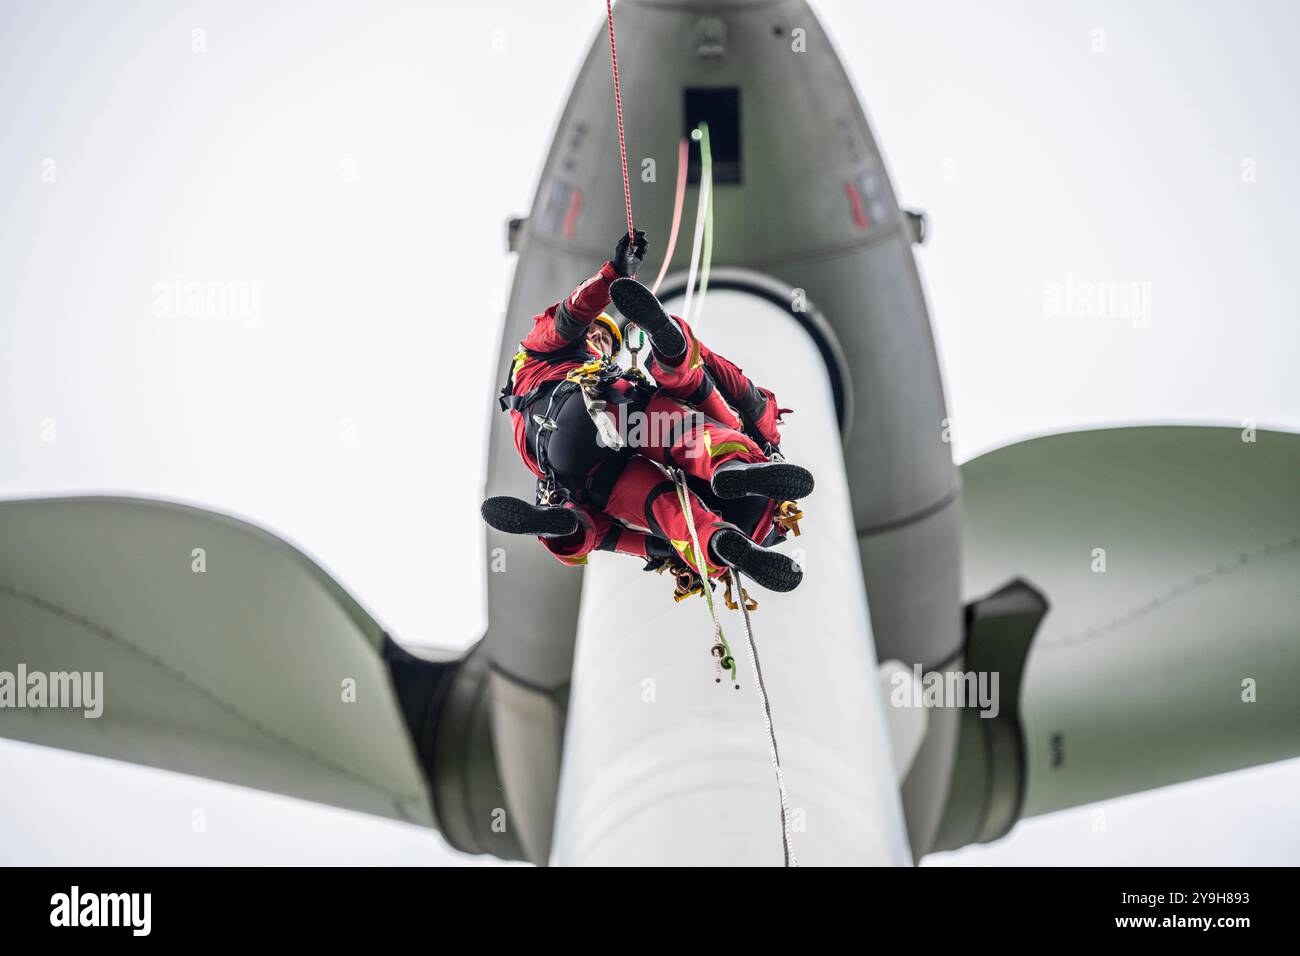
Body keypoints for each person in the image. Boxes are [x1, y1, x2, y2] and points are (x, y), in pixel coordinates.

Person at [482, 231, 813, 592]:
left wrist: (657, 548)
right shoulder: (541, 352)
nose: (599, 344)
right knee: (686, 432)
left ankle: (716, 541)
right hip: (603, 404)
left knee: (663, 510)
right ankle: (728, 464)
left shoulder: (528, 394)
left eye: (608, 342)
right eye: (597, 335)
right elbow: (572, 312)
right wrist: (614, 273)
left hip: (575, 467)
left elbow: (613, 537)